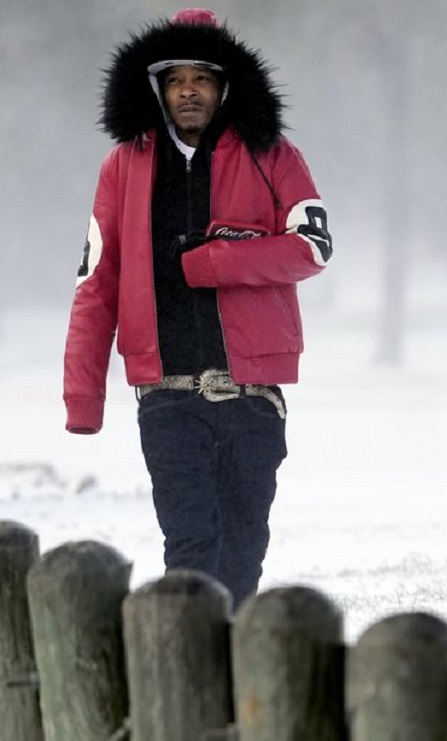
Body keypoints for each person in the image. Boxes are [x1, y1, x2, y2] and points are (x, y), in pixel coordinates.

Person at [63, 8, 332, 609]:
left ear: (225, 86)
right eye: (176, 78)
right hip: (167, 398)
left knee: (243, 549)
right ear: (157, 89)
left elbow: (313, 248)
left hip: (254, 398)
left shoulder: (273, 156)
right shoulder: (122, 167)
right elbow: (96, 285)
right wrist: (84, 397)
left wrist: (218, 263)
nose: (189, 89)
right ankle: (192, 685)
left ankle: (231, 681)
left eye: (202, 77)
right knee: (189, 549)